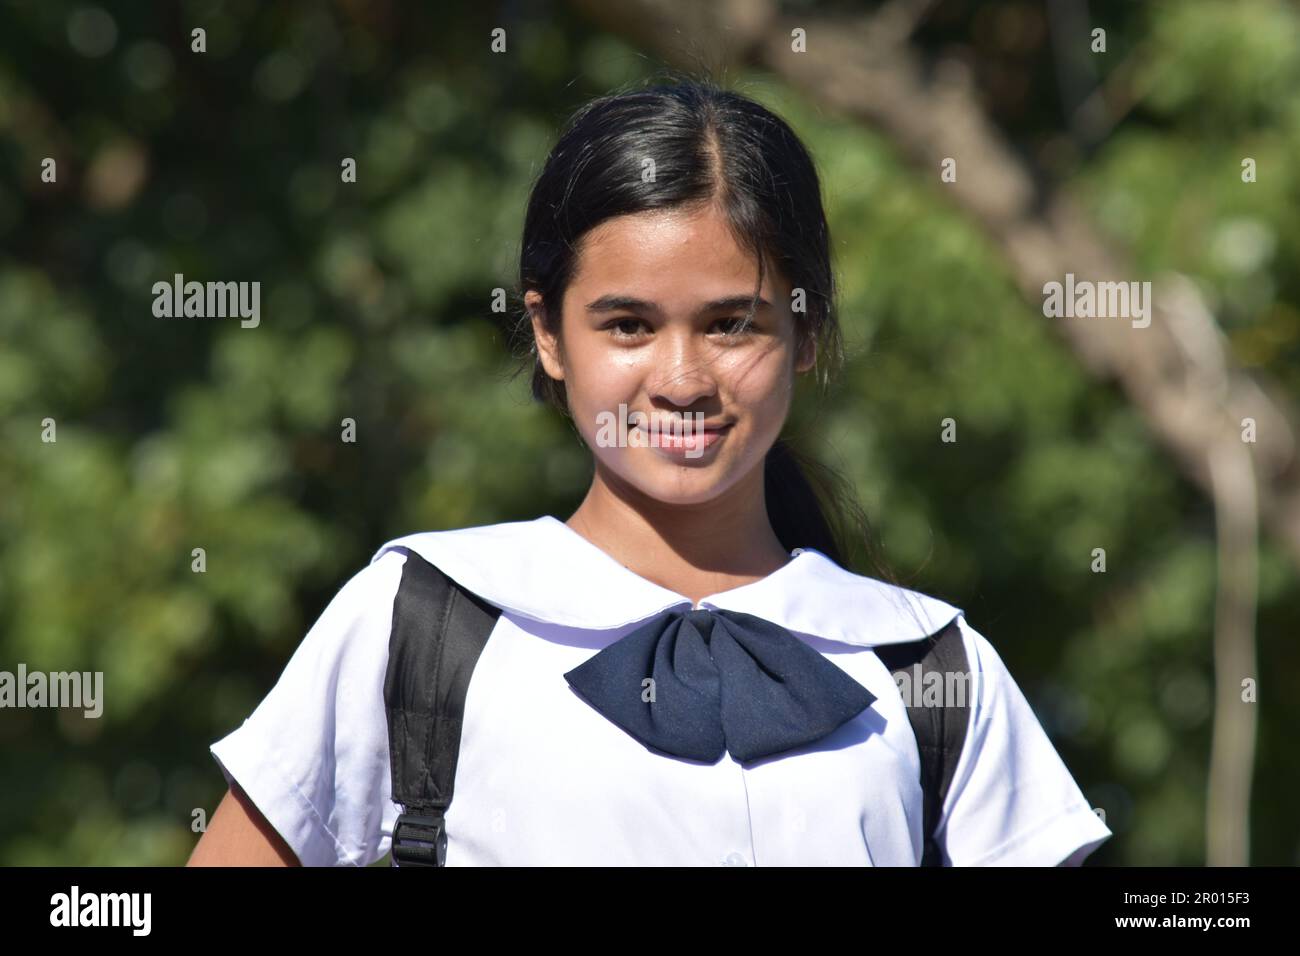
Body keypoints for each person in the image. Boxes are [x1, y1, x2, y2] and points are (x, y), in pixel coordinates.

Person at [188, 76, 1112, 867]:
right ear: (550, 334)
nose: (680, 380)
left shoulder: (929, 663)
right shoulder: (425, 619)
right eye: (627, 325)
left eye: (731, 324)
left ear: (807, 336)